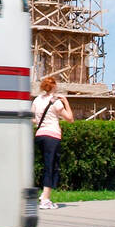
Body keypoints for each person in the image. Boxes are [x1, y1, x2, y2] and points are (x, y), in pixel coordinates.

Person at [31, 76, 73, 210]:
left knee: (44, 165)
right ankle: (45, 198)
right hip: (52, 136)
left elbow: (32, 118)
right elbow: (70, 119)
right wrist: (66, 101)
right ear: (54, 87)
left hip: (40, 135)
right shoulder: (56, 102)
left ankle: (43, 193)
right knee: (51, 166)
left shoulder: (37, 100)